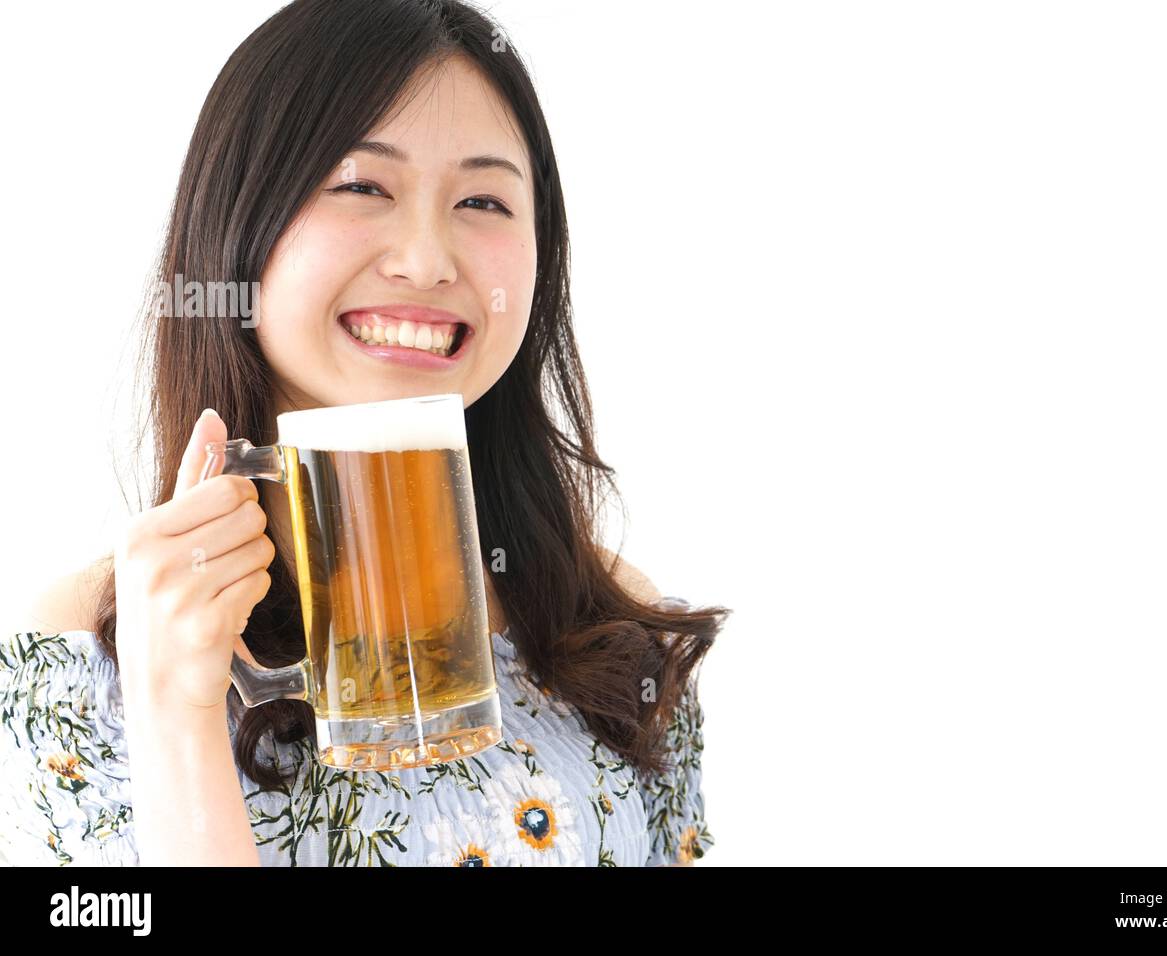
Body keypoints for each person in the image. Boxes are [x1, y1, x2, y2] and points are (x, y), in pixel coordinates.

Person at [0, 0, 729, 867]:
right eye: (362, 185)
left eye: (485, 200)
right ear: (236, 225)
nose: (426, 260)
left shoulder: (607, 631)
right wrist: (175, 711)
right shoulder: (82, 657)